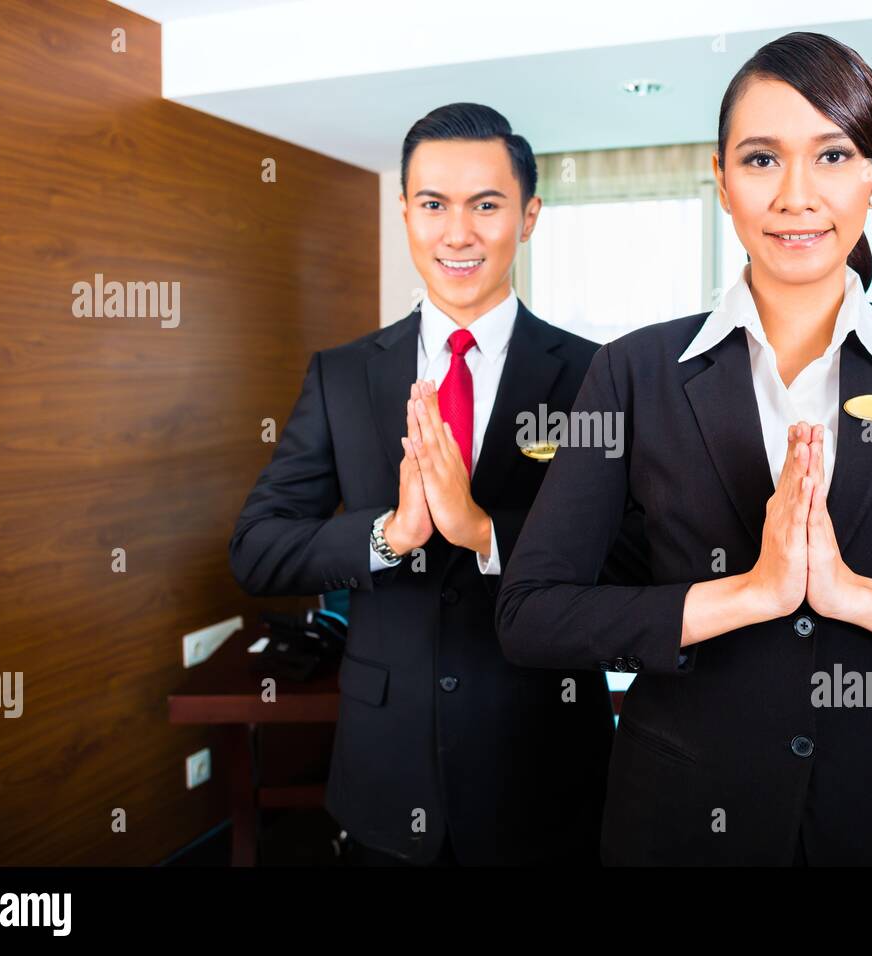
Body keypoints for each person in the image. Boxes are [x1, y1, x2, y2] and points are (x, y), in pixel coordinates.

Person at [495, 32, 872, 866]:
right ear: (721, 179)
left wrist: (853, 596)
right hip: (677, 818)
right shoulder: (632, 371)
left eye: (834, 154)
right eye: (761, 159)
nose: (796, 195)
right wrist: (747, 595)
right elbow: (531, 615)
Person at [230, 103, 633, 866]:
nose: (458, 233)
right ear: (406, 213)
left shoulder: (597, 375)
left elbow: (639, 563)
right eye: (433, 204)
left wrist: (486, 531)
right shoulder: (342, 376)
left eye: (487, 205)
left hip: (544, 768)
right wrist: (392, 534)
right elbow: (257, 550)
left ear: (530, 216)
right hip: (387, 773)